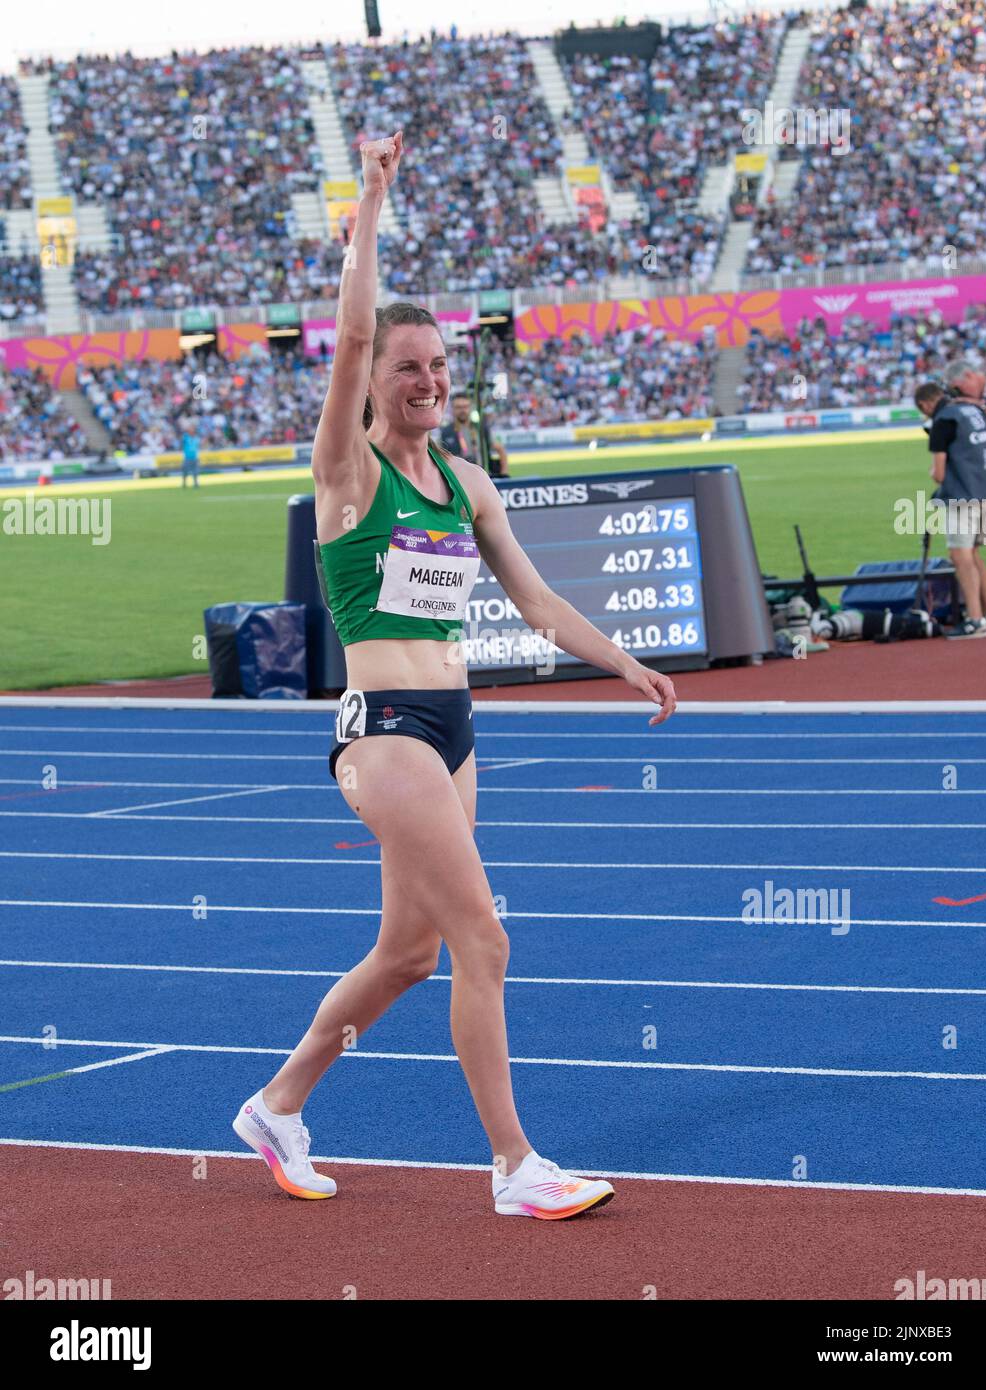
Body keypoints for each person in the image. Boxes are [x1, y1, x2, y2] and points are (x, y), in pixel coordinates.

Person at [232, 130, 677, 1218]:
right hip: (381, 728)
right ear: (375, 383)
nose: (429, 381)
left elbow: (535, 600)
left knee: (409, 955)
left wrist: (627, 662)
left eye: (439, 366)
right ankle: (515, 1166)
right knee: (486, 937)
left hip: (454, 724)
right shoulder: (347, 471)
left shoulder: (468, 482)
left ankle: (278, 1105)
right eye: (406, 368)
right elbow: (345, 337)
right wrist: (372, 201)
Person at [914, 382, 986, 638]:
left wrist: (934, 473)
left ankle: (975, 620)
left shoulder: (942, 421)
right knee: (974, 555)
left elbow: (939, 474)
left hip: (963, 497)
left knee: (961, 556)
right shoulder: (972, 411)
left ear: (925, 404)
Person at [438, 390, 509, 478]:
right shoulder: (446, 432)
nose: (462, 410)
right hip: (459, 479)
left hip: (483, 477)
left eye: (465, 407)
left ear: (470, 408)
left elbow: (500, 449)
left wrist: (504, 474)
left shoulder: (481, 428)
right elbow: (439, 458)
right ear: (453, 409)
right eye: (458, 407)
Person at [180, 423, 200, 488]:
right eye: (190, 429)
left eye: (193, 429)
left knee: (195, 471)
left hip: (195, 457)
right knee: (185, 470)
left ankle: (196, 483)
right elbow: (182, 444)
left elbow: (198, 446)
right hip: (187, 457)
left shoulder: (196, 437)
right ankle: (184, 483)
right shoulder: (185, 437)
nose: (192, 430)